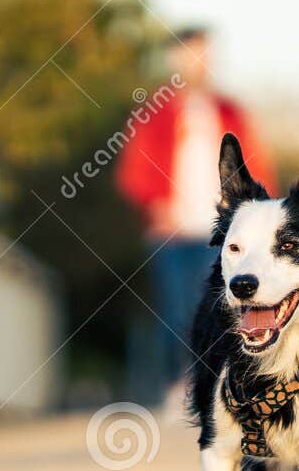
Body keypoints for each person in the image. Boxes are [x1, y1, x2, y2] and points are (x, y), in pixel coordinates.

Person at [117, 27, 274, 404]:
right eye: (190, 54)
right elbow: (133, 170)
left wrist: (259, 216)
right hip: (170, 230)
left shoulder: (230, 111)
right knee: (176, 312)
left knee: (225, 309)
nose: (197, 63)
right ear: (174, 59)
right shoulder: (154, 112)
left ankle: (224, 388)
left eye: (204, 55)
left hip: (221, 232)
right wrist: (155, 204)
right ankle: (180, 386)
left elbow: (256, 165)